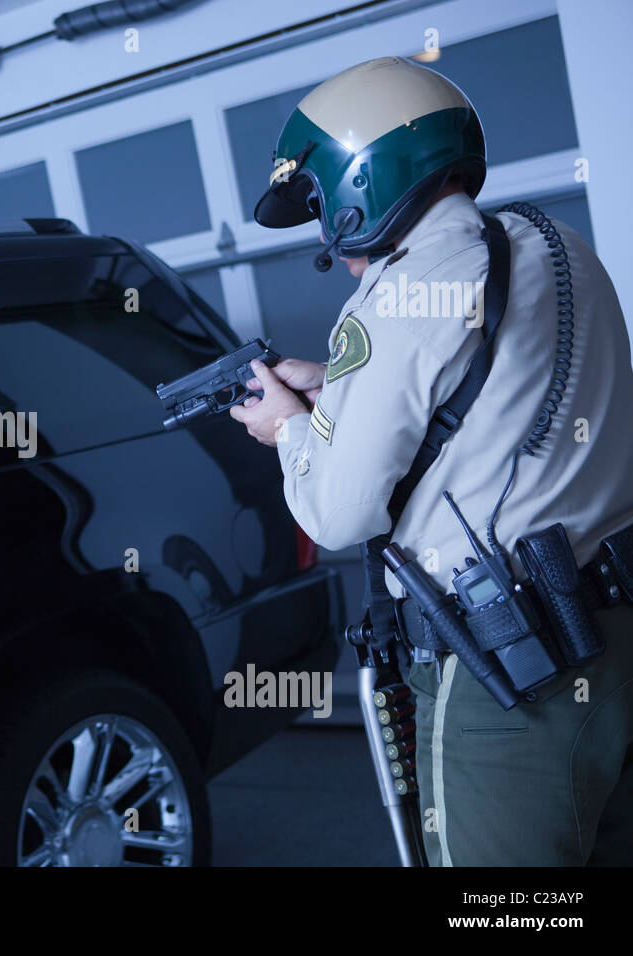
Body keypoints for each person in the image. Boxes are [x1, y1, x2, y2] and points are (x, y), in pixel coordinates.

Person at [229, 56, 633, 865]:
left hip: (511, 676)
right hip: (616, 635)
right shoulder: (555, 245)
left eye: (316, 204)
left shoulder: (394, 298)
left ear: (357, 182)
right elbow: (488, 414)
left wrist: (291, 431)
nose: (322, 233)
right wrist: (334, 388)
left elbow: (337, 513)